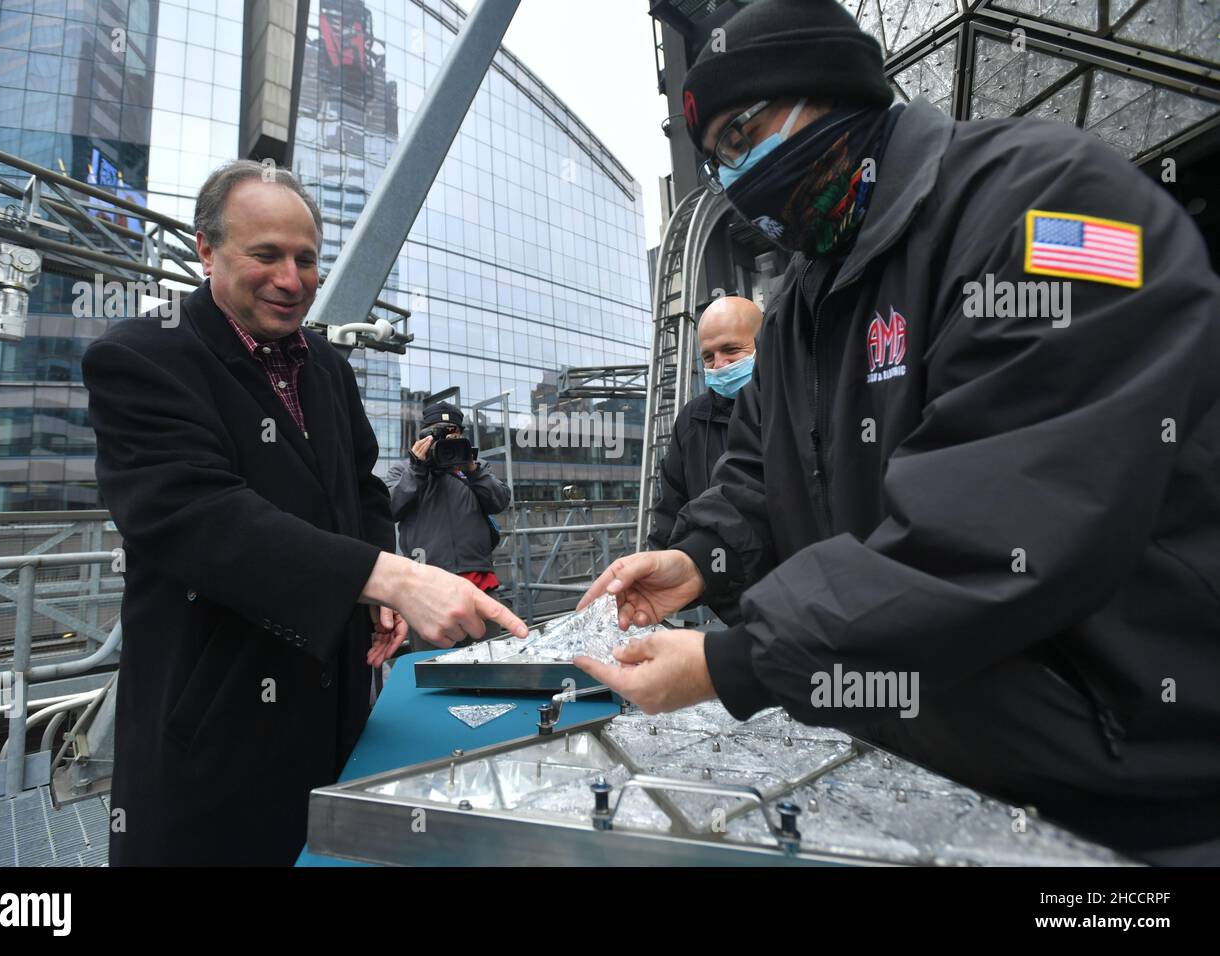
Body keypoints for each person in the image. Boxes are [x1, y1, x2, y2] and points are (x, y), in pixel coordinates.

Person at [573, 0, 1220, 864]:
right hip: (943, 774)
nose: (736, 179)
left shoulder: (1062, 209)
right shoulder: (805, 302)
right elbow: (760, 480)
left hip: (1130, 796)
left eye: (745, 135)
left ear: (830, 89)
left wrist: (738, 663)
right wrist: (697, 559)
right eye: (719, 159)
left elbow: (997, 524)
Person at [84, 160, 524, 865]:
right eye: (266, 256)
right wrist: (387, 577)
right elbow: (199, 518)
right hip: (216, 733)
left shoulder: (328, 367)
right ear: (206, 250)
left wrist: (375, 588)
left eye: (306, 259)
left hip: (337, 716)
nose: (292, 280)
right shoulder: (141, 357)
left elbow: (361, 490)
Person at [386, 401, 512, 646]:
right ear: (423, 436)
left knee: (489, 667)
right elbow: (389, 508)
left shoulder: (476, 468)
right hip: (427, 591)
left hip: (480, 586)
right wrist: (417, 468)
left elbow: (500, 501)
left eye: (452, 433)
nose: (445, 440)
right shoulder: (404, 470)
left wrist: (471, 468)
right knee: (432, 668)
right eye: (437, 434)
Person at [647, 295, 762, 559]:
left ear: (762, 344)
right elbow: (671, 506)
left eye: (731, 350)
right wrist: (658, 564)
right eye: (708, 356)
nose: (719, 365)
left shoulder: (791, 404)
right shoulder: (691, 420)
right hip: (721, 586)